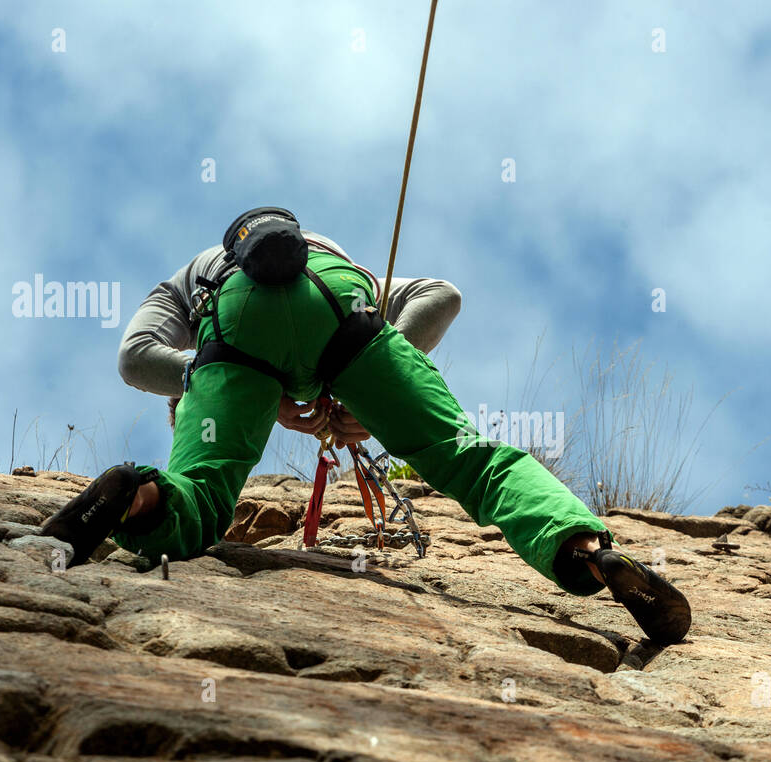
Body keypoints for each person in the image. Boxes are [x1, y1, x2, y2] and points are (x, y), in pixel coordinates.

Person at [41, 208, 691, 645]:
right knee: (468, 459)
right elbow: (442, 294)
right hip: (339, 306)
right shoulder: (327, 258)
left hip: (232, 329)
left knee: (204, 488)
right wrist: (375, 372)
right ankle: (587, 552)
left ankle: (138, 496)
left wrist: (212, 376)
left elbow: (135, 358)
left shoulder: (186, 283)